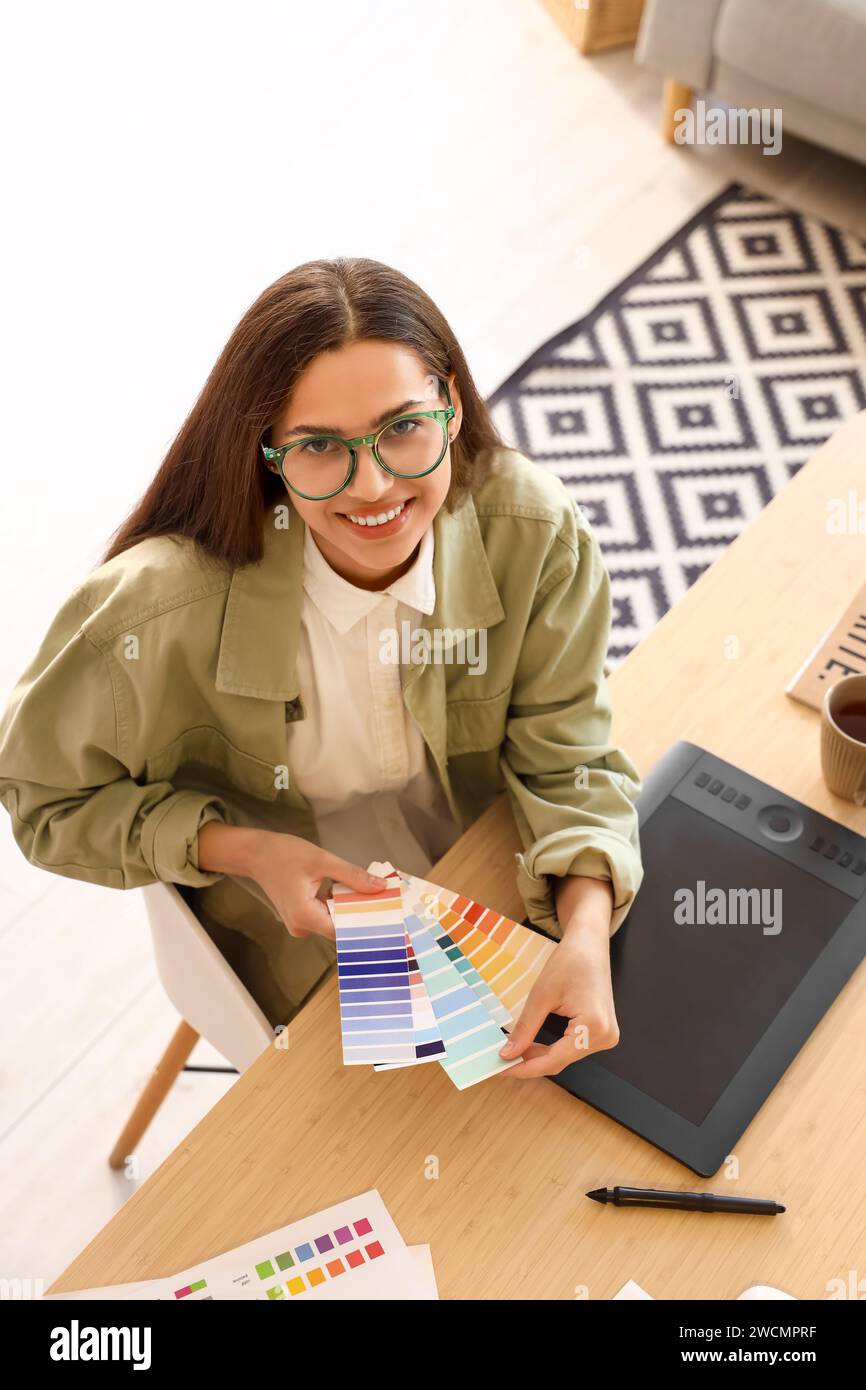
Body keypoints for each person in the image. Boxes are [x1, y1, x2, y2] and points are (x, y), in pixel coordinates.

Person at [0, 256, 644, 1077]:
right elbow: (42, 801)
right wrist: (242, 851)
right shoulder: (150, 611)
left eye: (403, 428)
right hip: (293, 938)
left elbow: (569, 760)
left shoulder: (535, 531)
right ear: (265, 450)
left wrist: (585, 935)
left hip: (490, 876)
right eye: (317, 446)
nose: (373, 486)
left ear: (450, 404)